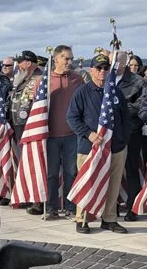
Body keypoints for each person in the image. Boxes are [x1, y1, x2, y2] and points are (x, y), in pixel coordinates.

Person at [66, 53, 130, 234]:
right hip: (90, 148)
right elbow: (71, 117)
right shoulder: (82, 92)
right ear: (91, 70)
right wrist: (89, 134)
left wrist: (123, 139)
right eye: (99, 68)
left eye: (106, 68)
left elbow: (125, 118)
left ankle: (109, 219)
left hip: (116, 148)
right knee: (88, 183)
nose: (102, 72)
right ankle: (82, 219)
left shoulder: (116, 92)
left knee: (113, 184)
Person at [35, 45, 82, 219]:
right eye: (66, 58)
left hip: (72, 135)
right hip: (50, 135)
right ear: (56, 59)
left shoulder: (78, 80)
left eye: (71, 59)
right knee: (51, 174)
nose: (70, 62)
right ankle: (52, 208)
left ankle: (70, 208)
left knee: (71, 173)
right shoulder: (44, 81)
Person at [115, 51, 146, 221]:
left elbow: (141, 107)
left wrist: (118, 107)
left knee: (131, 170)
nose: (112, 64)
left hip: (131, 132)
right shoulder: (105, 79)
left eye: (116, 61)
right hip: (109, 132)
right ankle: (112, 208)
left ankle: (132, 207)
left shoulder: (138, 81)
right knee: (112, 171)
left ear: (125, 62)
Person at [10, 50, 43, 142]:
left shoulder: (39, 79)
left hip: (30, 125)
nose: (18, 66)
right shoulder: (23, 79)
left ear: (28, 63)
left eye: (20, 62)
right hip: (19, 124)